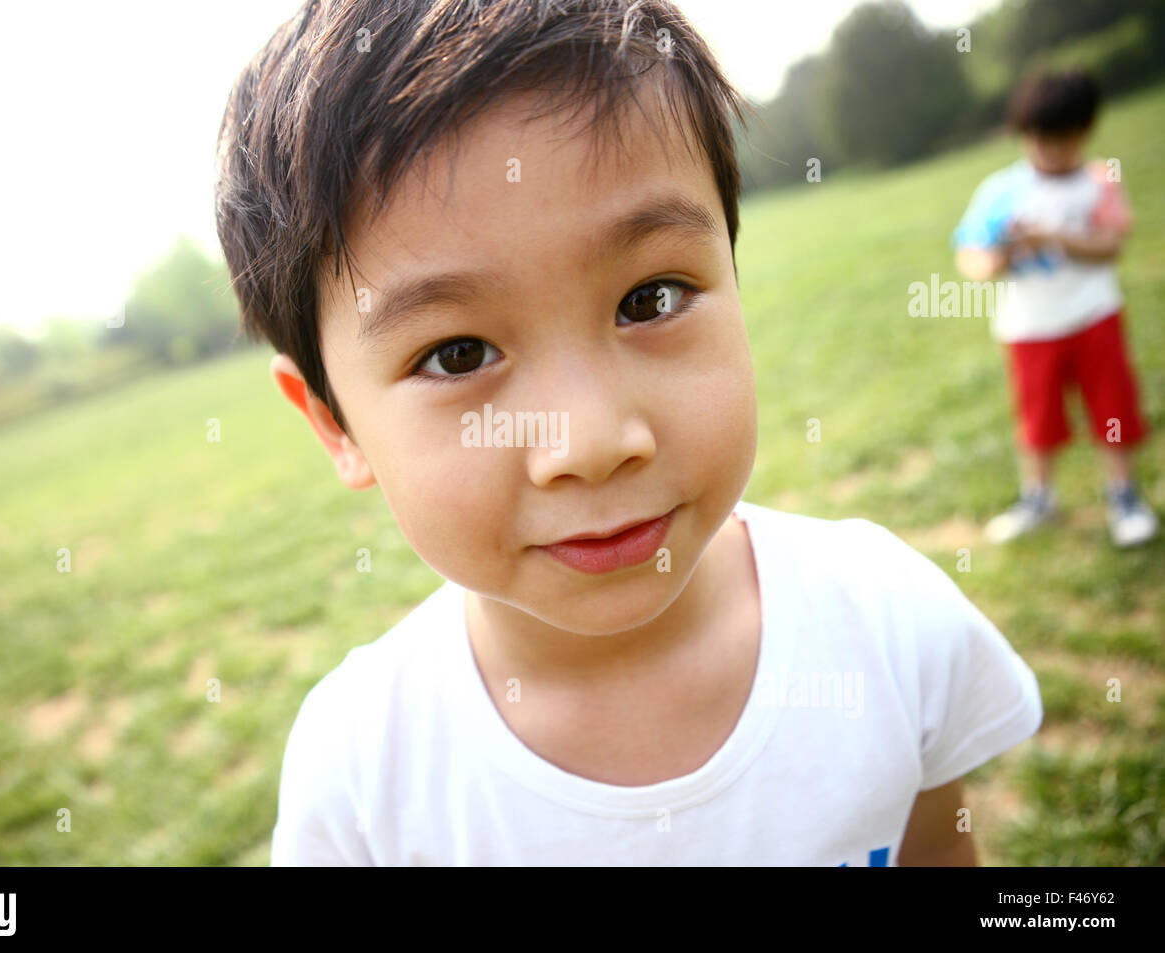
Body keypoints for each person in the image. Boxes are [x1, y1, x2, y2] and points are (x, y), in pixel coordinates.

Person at [215, 0, 1043, 866]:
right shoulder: (360, 776)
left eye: (650, 299)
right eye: (457, 355)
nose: (593, 440)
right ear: (334, 425)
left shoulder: (885, 621)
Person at [953, 68, 1156, 548]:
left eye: (1063, 141)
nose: (1051, 152)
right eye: (1041, 140)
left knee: (1112, 409)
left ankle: (1124, 494)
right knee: (1038, 419)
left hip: (1094, 316)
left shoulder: (1100, 179)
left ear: (1085, 132)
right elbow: (971, 258)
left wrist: (1058, 238)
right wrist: (1000, 257)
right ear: (1025, 134)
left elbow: (1110, 246)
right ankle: (1038, 497)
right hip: (1029, 329)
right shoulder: (1000, 190)